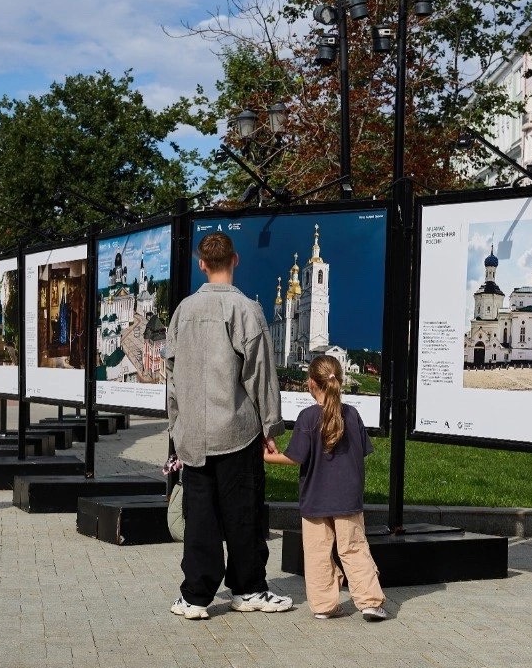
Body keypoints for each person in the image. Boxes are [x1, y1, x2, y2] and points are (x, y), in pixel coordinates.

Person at [165, 231, 289, 620]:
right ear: (235, 260)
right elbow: (260, 375)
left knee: (199, 515)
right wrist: (270, 426)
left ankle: (194, 596)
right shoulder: (246, 310)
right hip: (236, 431)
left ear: (202, 263)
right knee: (243, 513)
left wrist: (177, 425)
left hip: (193, 435)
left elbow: (170, 376)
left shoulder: (183, 311)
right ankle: (248, 588)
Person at [264, 355, 388, 621]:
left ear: (311, 383)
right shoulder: (352, 415)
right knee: (353, 548)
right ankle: (370, 602)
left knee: (318, 552)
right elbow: (363, 451)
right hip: (347, 497)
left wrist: (264, 456)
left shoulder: (307, 418)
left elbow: (294, 457)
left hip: (315, 497)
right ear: (339, 381)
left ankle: (323, 605)